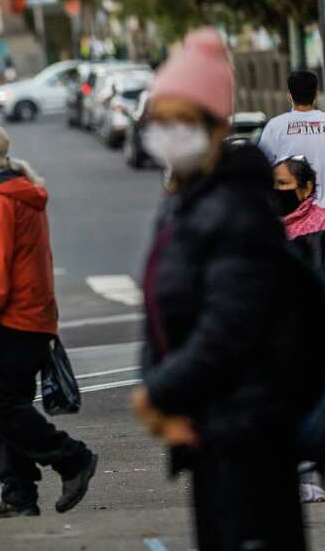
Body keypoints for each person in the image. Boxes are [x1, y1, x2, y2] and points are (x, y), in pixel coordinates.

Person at [131, 28, 309, 550]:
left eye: (179, 121)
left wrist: (158, 392)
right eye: (157, 120)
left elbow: (230, 325)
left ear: (217, 126)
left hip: (248, 430)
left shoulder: (238, 207)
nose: (165, 133)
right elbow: (162, 308)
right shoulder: (189, 198)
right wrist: (164, 396)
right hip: (209, 426)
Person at [0, 119, 97, 519]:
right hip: (29, 319)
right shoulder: (13, 191)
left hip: (6, 320)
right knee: (4, 403)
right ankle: (18, 495)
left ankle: (71, 459)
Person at [258, 70, 325, 210]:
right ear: (316, 94)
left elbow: (261, 169)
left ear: (289, 96)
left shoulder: (275, 127)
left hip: (294, 215)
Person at [274, 156, 325, 278]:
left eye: (283, 183)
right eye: (273, 184)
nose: (276, 190)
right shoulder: (266, 223)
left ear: (306, 189)